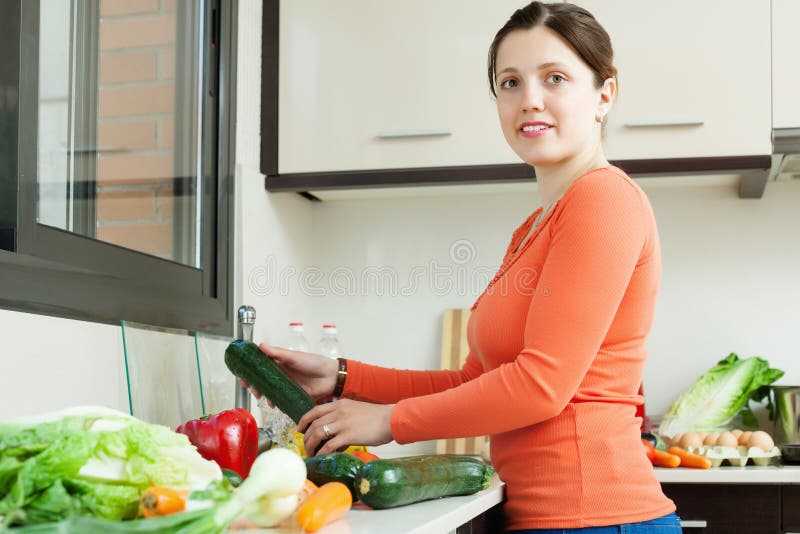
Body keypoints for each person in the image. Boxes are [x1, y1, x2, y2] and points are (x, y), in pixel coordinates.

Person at [249, 2, 681, 532]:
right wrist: (342, 378)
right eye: (510, 83)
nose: (531, 100)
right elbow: (473, 380)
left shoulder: (604, 200)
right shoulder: (535, 227)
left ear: (604, 94)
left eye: (556, 78)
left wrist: (388, 422)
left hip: (598, 517)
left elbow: (541, 384)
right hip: (549, 517)